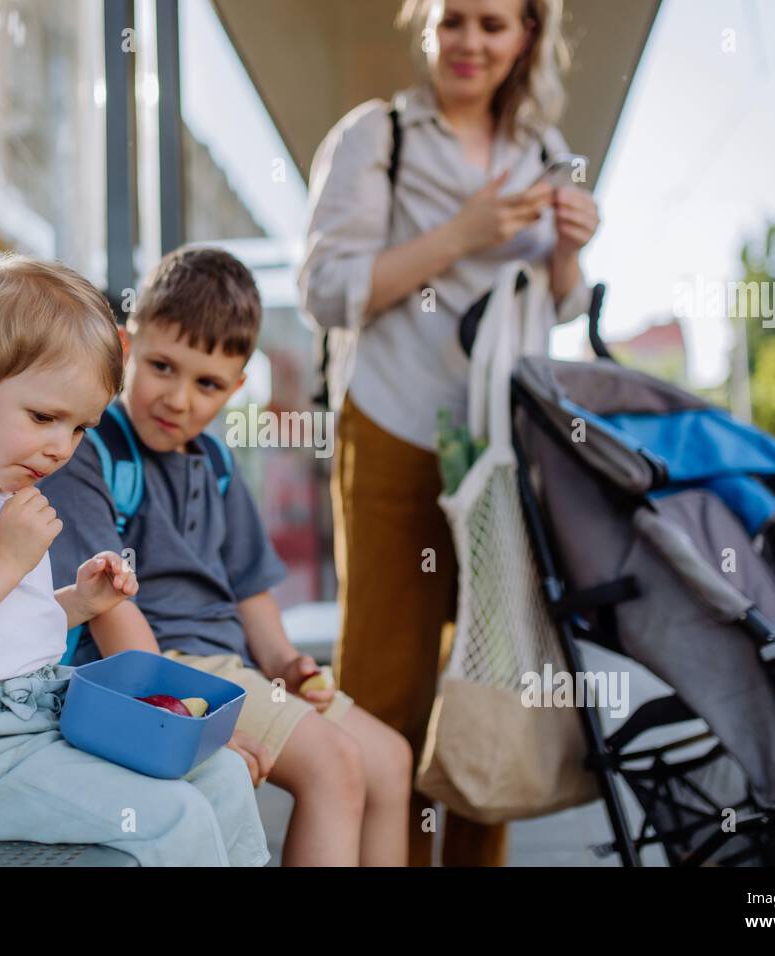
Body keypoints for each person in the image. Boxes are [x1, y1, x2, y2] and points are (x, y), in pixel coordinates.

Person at [0, 254, 270, 866]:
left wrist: (78, 603)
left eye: (81, 429)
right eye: (44, 417)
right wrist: (8, 562)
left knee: (219, 779)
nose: (60, 447)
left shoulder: (4, 489)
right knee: (174, 817)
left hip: (34, 723)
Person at [298, 0, 599, 866]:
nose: (472, 41)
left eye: (494, 24)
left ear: (526, 37)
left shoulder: (544, 153)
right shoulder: (377, 135)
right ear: (427, 26)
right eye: (455, 19)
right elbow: (324, 290)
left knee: (489, 684)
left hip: (504, 450)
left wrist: (569, 257)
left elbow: (561, 303)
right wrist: (462, 235)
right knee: (384, 689)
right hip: (395, 426)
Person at [41, 246, 414, 866]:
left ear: (237, 387)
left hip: (233, 669)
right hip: (163, 669)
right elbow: (103, 606)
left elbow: (249, 590)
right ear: (126, 347)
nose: (180, 399)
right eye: (163, 366)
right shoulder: (89, 449)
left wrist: (288, 664)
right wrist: (184, 721)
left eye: (208, 383)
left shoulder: (216, 464)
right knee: (336, 766)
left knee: (390, 760)